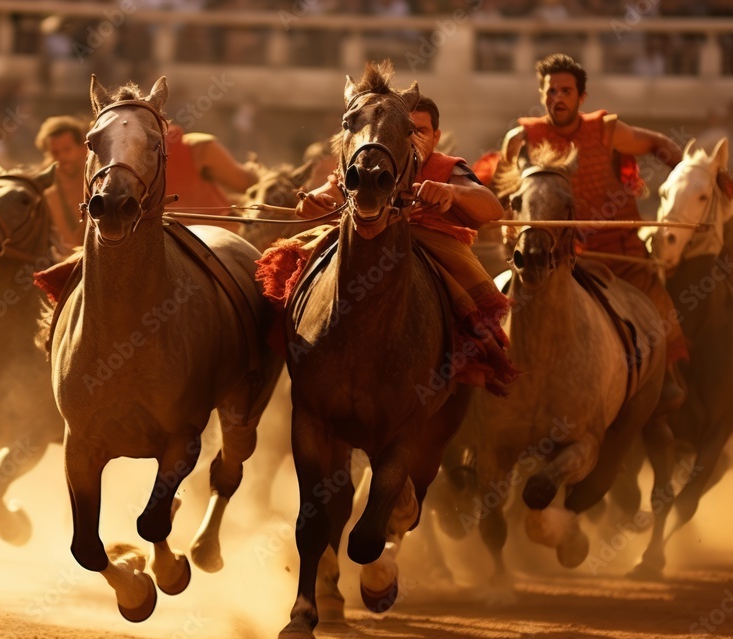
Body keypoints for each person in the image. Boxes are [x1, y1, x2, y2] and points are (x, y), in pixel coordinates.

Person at [294, 96, 517, 395]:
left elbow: (491, 207)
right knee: (290, 267)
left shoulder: (448, 168)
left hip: (428, 242)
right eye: (403, 131)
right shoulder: (371, 158)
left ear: (436, 137)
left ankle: (473, 356)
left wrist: (452, 192)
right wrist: (316, 202)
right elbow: (332, 189)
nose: (410, 140)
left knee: (468, 305)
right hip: (358, 236)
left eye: (418, 131)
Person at [500, 53, 687, 404]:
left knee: (659, 306)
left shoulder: (608, 130)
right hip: (558, 257)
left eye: (566, 91)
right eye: (550, 90)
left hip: (622, 252)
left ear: (581, 97)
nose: (557, 98)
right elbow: (506, 193)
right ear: (542, 94)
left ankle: (664, 381)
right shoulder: (519, 139)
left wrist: (685, 178)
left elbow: (661, 145)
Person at [163, 122, 260, 231]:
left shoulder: (142, 156)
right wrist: (256, 170)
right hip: (220, 237)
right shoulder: (196, 147)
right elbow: (246, 182)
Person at [35, 114, 88, 248]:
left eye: (67, 150)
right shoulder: (46, 188)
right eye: (55, 152)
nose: (62, 157)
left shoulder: (102, 177)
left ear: (83, 147)